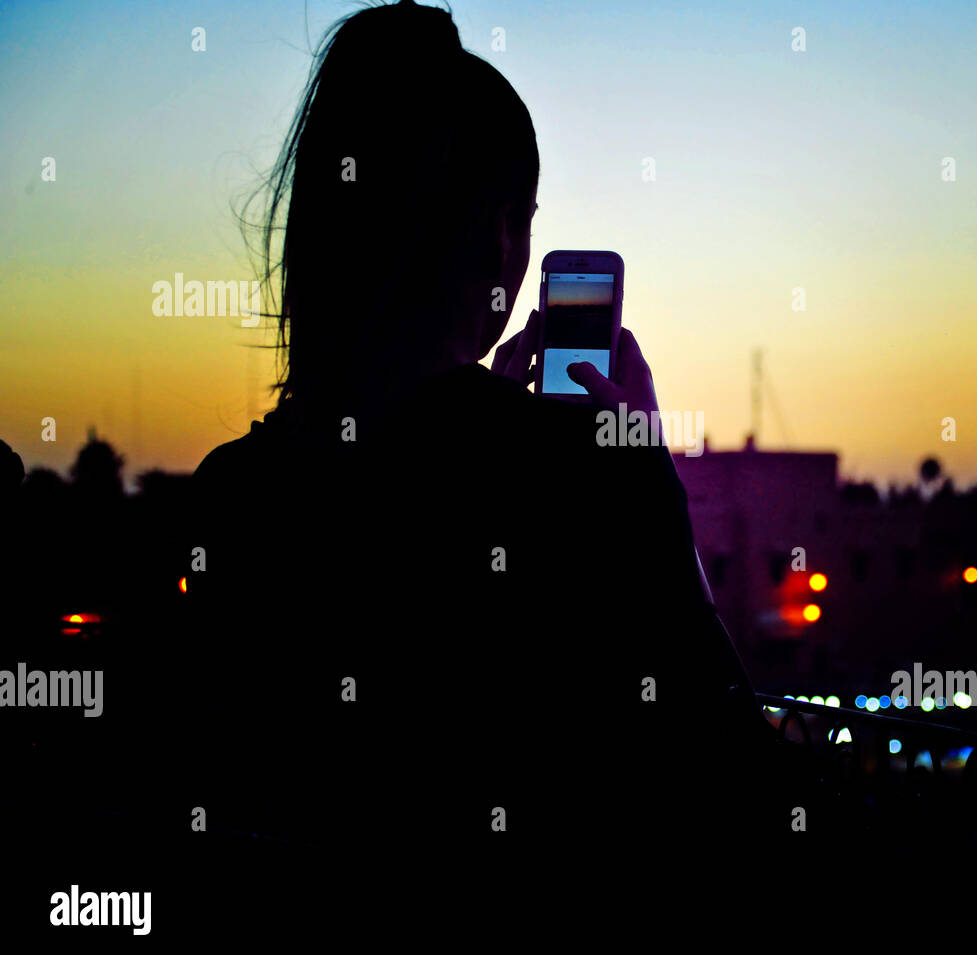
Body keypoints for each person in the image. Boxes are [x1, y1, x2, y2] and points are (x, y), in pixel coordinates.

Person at [184, 0, 776, 854]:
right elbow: (728, 780)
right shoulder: (583, 480)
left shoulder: (231, 492)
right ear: (503, 236)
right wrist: (641, 470)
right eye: (526, 218)